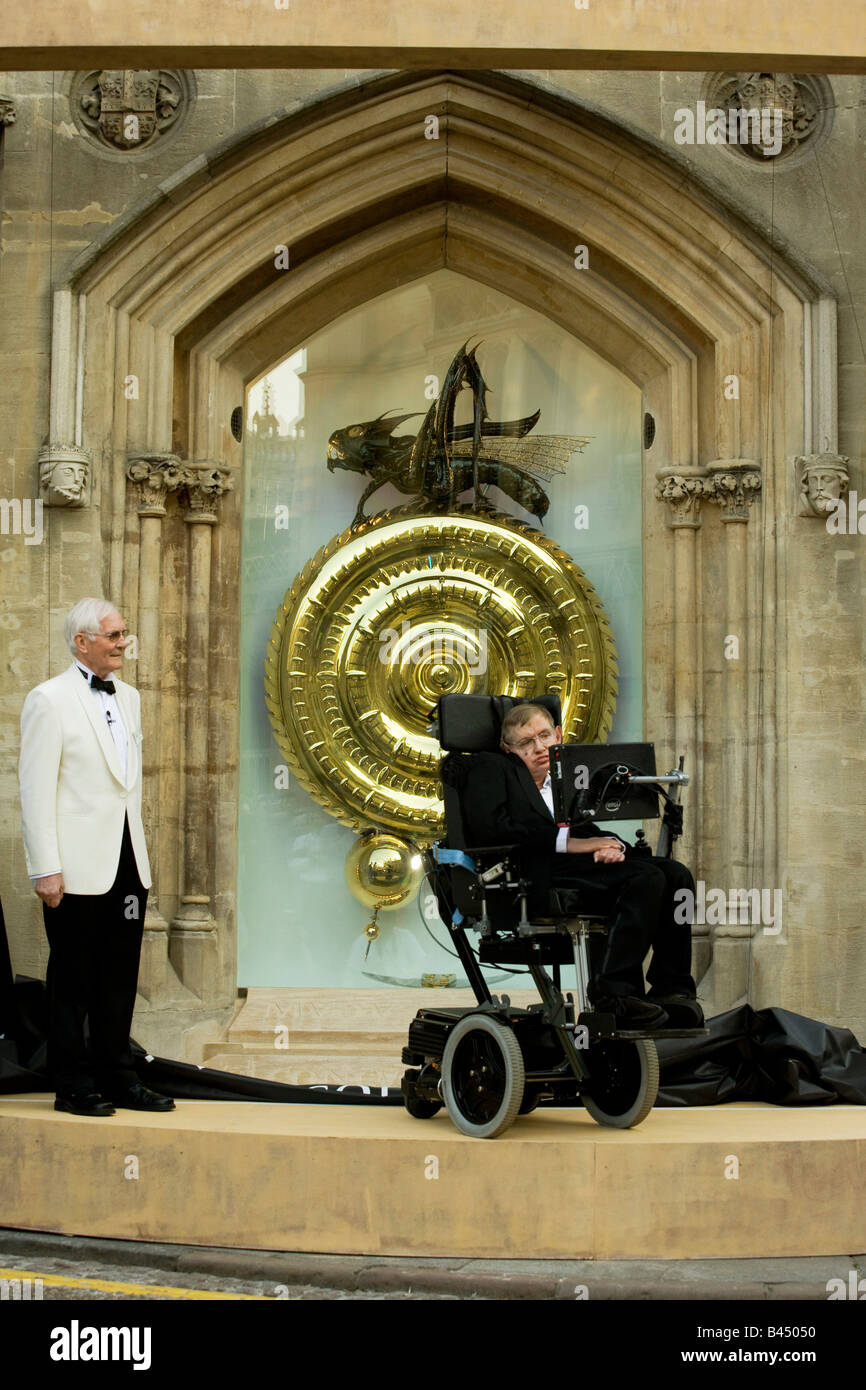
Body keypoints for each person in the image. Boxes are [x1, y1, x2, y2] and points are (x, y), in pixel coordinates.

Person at [18, 598, 175, 1116]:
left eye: (124, 633)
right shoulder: (48, 699)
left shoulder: (128, 697)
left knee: (120, 974)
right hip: (75, 868)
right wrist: (46, 867)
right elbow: (35, 790)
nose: (123, 642)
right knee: (73, 979)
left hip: (129, 861)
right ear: (82, 642)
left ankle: (119, 1076)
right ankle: (72, 1084)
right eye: (113, 635)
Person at [460, 701, 703, 1029]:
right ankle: (613, 993)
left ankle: (672, 990)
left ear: (558, 735)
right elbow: (494, 828)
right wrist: (573, 844)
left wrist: (612, 847)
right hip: (533, 871)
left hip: (580, 864)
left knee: (676, 876)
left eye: (545, 736)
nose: (539, 747)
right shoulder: (491, 769)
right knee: (645, 879)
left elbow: (587, 829)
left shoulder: (567, 778)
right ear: (508, 749)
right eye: (526, 743)